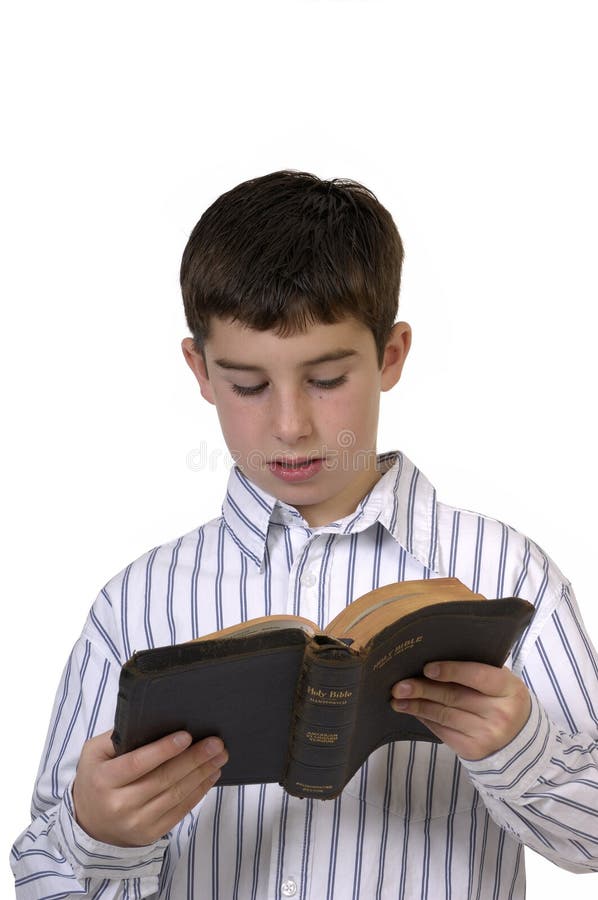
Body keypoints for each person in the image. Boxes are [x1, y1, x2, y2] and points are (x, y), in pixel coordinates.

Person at [11, 170, 598, 899]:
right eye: (248, 386)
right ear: (199, 370)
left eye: (325, 378)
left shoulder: (510, 575)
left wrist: (521, 749)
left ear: (390, 355)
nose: (290, 425)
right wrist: (98, 829)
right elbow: (41, 873)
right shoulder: (135, 603)